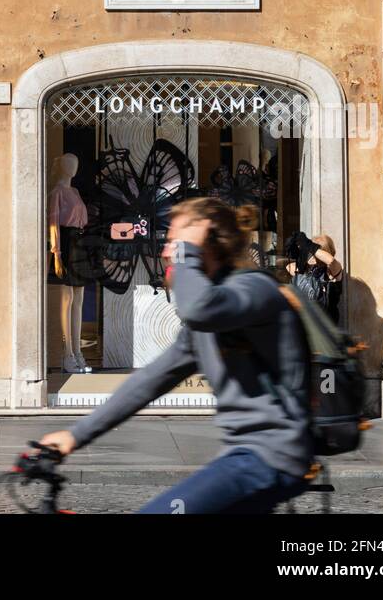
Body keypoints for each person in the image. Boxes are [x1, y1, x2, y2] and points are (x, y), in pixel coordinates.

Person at [38, 198, 314, 515]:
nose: (168, 251)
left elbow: (197, 307)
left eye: (176, 240)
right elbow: (148, 381)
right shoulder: (208, 322)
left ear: (203, 243)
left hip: (272, 455)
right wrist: (74, 436)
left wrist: (186, 252)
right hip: (246, 456)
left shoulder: (253, 290)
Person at [285, 231, 344, 324]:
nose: (310, 254)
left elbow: (331, 261)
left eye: (313, 251)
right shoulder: (308, 270)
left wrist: (309, 245)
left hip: (326, 329)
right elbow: (288, 267)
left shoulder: (332, 271)